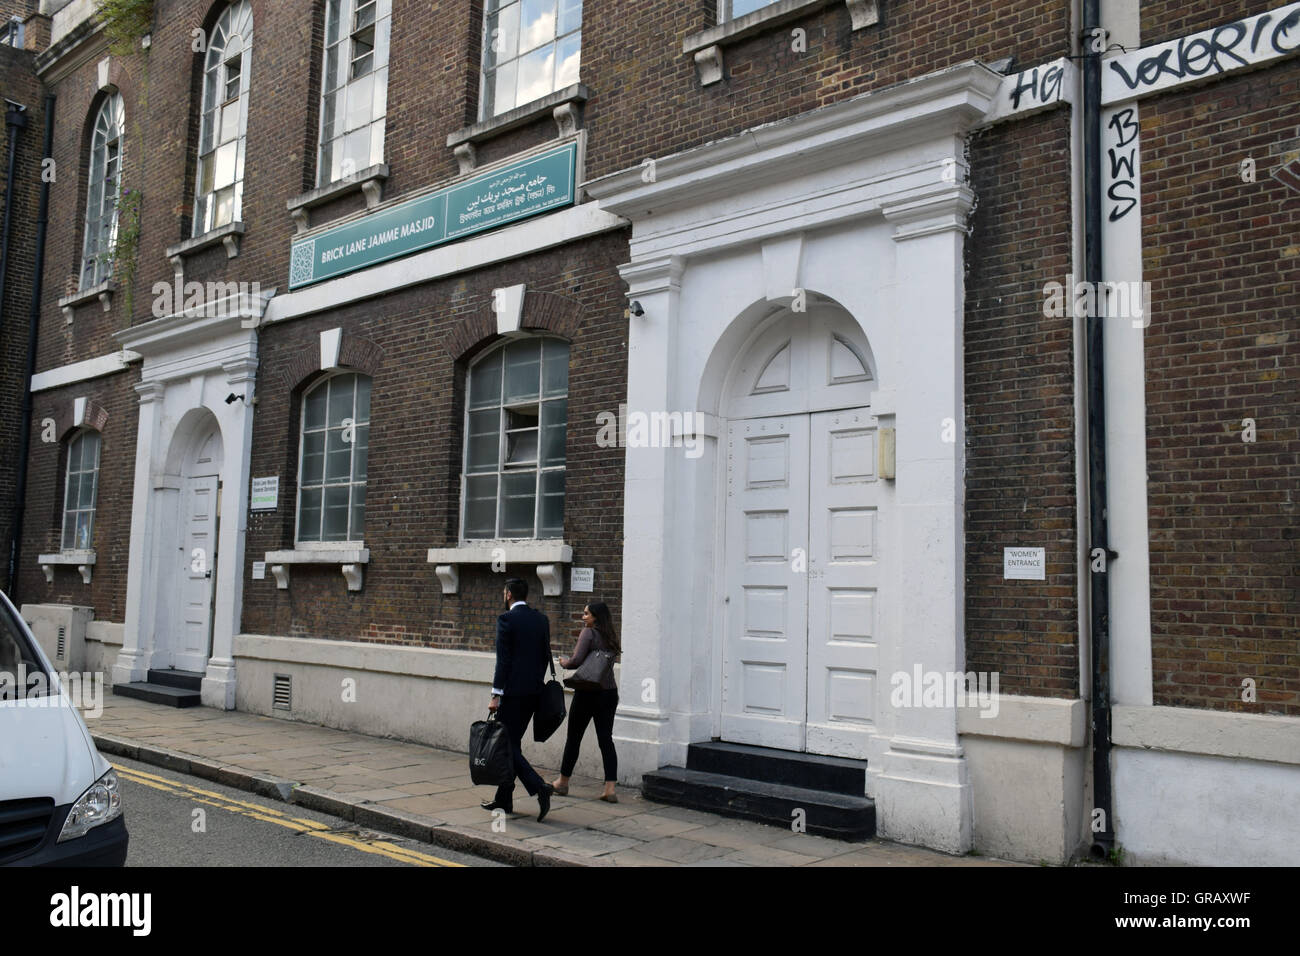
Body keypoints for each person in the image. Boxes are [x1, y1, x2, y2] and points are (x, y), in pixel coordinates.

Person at [481, 577, 555, 821]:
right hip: (533, 692)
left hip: (512, 694)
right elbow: (545, 656)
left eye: (504, 593)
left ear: (509, 594)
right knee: (512, 744)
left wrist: (496, 694)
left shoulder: (506, 620)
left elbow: (504, 661)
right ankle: (504, 799)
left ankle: (539, 786)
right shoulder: (541, 619)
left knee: (504, 744)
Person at [552, 600, 620, 802]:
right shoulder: (611, 636)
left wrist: (564, 662)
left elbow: (576, 661)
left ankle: (563, 782)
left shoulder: (589, 633)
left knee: (574, 738)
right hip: (608, 693)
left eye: (586, 614)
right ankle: (610, 788)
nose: (583, 618)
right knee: (605, 739)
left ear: (595, 617)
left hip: (588, 692)